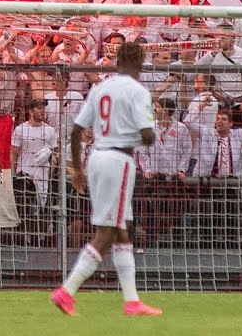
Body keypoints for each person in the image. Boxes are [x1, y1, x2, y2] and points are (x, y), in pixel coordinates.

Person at [51, 41, 160, 317]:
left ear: (117, 62)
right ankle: (67, 290)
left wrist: (77, 169)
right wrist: (139, 134)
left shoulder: (100, 88)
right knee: (108, 230)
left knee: (122, 228)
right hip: (118, 159)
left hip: (96, 158)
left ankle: (132, 301)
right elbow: (148, 136)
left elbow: (76, 131)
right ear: (141, 63)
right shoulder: (138, 91)